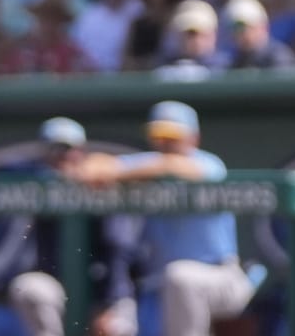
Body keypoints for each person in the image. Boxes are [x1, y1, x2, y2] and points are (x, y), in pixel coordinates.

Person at [71, 101, 256, 336]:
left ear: (194, 138)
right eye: (160, 136)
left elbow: (175, 166)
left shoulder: (208, 163)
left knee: (181, 277)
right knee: (125, 318)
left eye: (173, 136)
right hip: (157, 284)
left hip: (221, 278)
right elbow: (90, 167)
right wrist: (119, 171)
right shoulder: (146, 164)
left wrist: (124, 174)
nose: (165, 143)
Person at [6, 117, 139, 336]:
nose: (62, 156)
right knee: (31, 287)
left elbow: (117, 248)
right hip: (61, 294)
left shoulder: (102, 179)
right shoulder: (40, 184)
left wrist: (106, 306)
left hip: (109, 293)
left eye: (68, 149)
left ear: (81, 151)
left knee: (116, 329)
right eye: (55, 149)